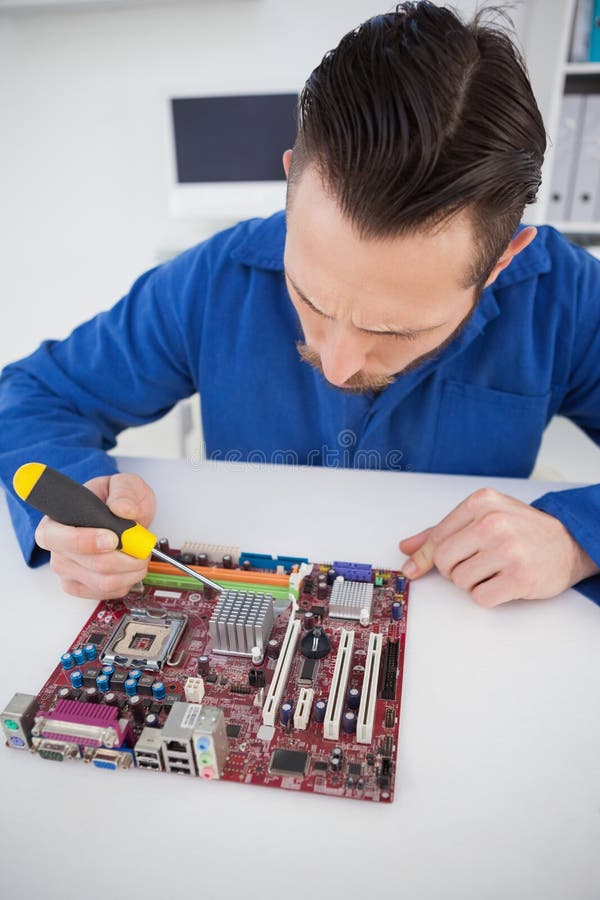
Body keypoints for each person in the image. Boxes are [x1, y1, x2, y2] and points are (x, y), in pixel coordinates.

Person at [1, 2, 599, 608]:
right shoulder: (214, 278)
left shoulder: (567, 301)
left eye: (395, 331)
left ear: (501, 263)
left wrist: (577, 536)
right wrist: (80, 511)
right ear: (290, 187)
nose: (336, 366)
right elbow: (29, 396)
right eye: (309, 297)